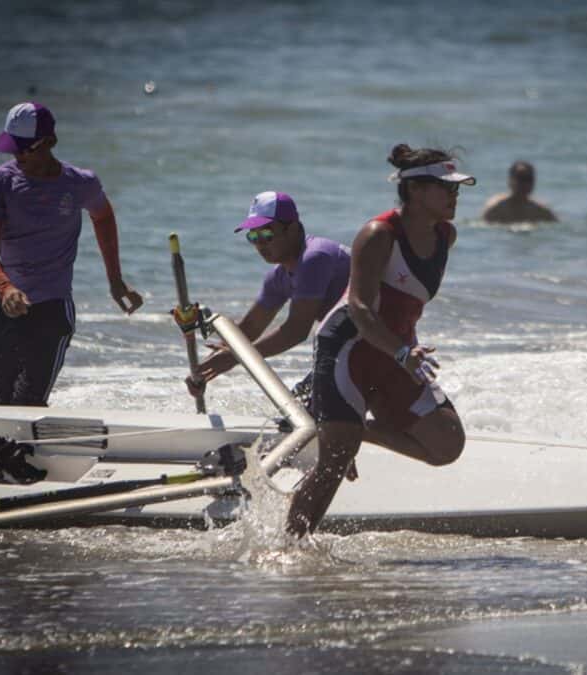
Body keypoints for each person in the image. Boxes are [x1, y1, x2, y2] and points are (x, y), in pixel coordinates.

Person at [286, 145, 474, 537]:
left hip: (397, 353)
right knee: (334, 464)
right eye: (447, 188)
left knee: (447, 444)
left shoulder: (446, 236)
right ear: (416, 191)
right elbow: (358, 307)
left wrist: (404, 350)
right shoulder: (378, 234)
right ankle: (288, 549)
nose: (455, 196)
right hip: (348, 351)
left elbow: (404, 308)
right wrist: (401, 351)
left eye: (457, 189)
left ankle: (359, 430)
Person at [0, 102, 142, 407]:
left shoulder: (79, 183)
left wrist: (116, 280)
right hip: (10, 308)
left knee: (28, 402)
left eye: (26, 148)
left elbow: (103, 217)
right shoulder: (0, 182)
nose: (18, 156)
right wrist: (5, 287)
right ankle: (8, 453)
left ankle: (27, 451)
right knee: (2, 404)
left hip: (53, 310)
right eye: (14, 148)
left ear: (50, 143)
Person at [185, 191, 350, 397]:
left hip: (382, 340)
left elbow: (296, 331)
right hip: (349, 347)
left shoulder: (315, 258)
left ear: (293, 228)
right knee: (299, 411)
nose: (260, 244)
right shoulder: (277, 277)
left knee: (311, 415)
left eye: (266, 234)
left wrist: (235, 357)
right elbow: (248, 330)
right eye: (253, 236)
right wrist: (204, 371)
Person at [480, 161, 558, 224]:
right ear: (510, 181)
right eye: (520, 178)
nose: (524, 184)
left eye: (528, 179)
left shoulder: (541, 211)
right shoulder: (495, 208)